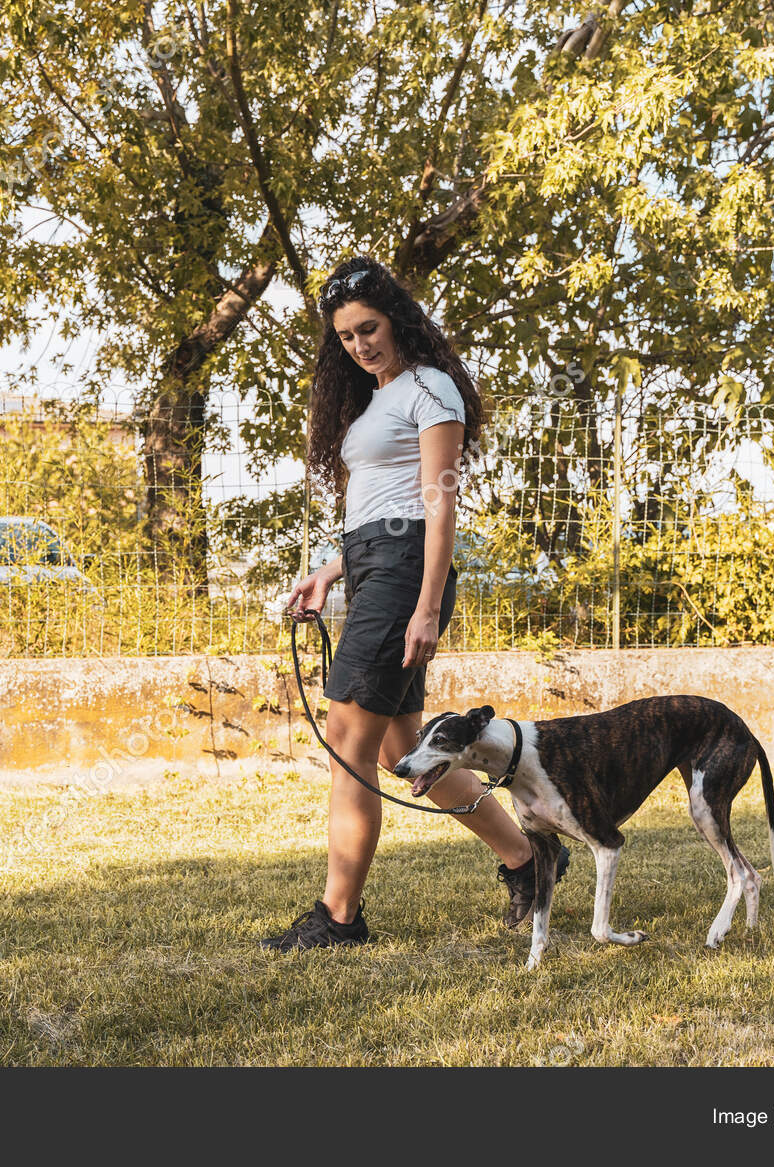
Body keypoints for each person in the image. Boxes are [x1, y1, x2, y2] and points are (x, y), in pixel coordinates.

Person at [262, 256, 568, 951]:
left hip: (406, 577)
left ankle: (340, 917)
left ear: (397, 316)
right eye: (345, 336)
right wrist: (331, 570)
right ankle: (529, 859)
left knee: (349, 742)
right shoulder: (379, 397)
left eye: (368, 327)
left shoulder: (431, 389)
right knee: (405, 747)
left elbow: (436, 504)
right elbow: (384, 509)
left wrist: (427, 604)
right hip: (377, 567)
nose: (360, 344)